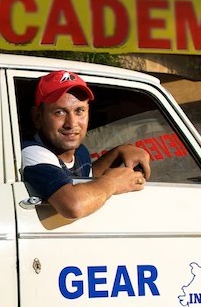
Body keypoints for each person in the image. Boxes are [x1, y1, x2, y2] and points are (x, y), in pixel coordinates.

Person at [21, 70, 151, 220]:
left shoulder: (79, 151)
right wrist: (113, 183)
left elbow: (86, 180)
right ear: (38, 117)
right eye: (59, 112)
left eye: (79, 111)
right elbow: (73, 205)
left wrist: (119, 151)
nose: (72, 123)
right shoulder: (33, 153)